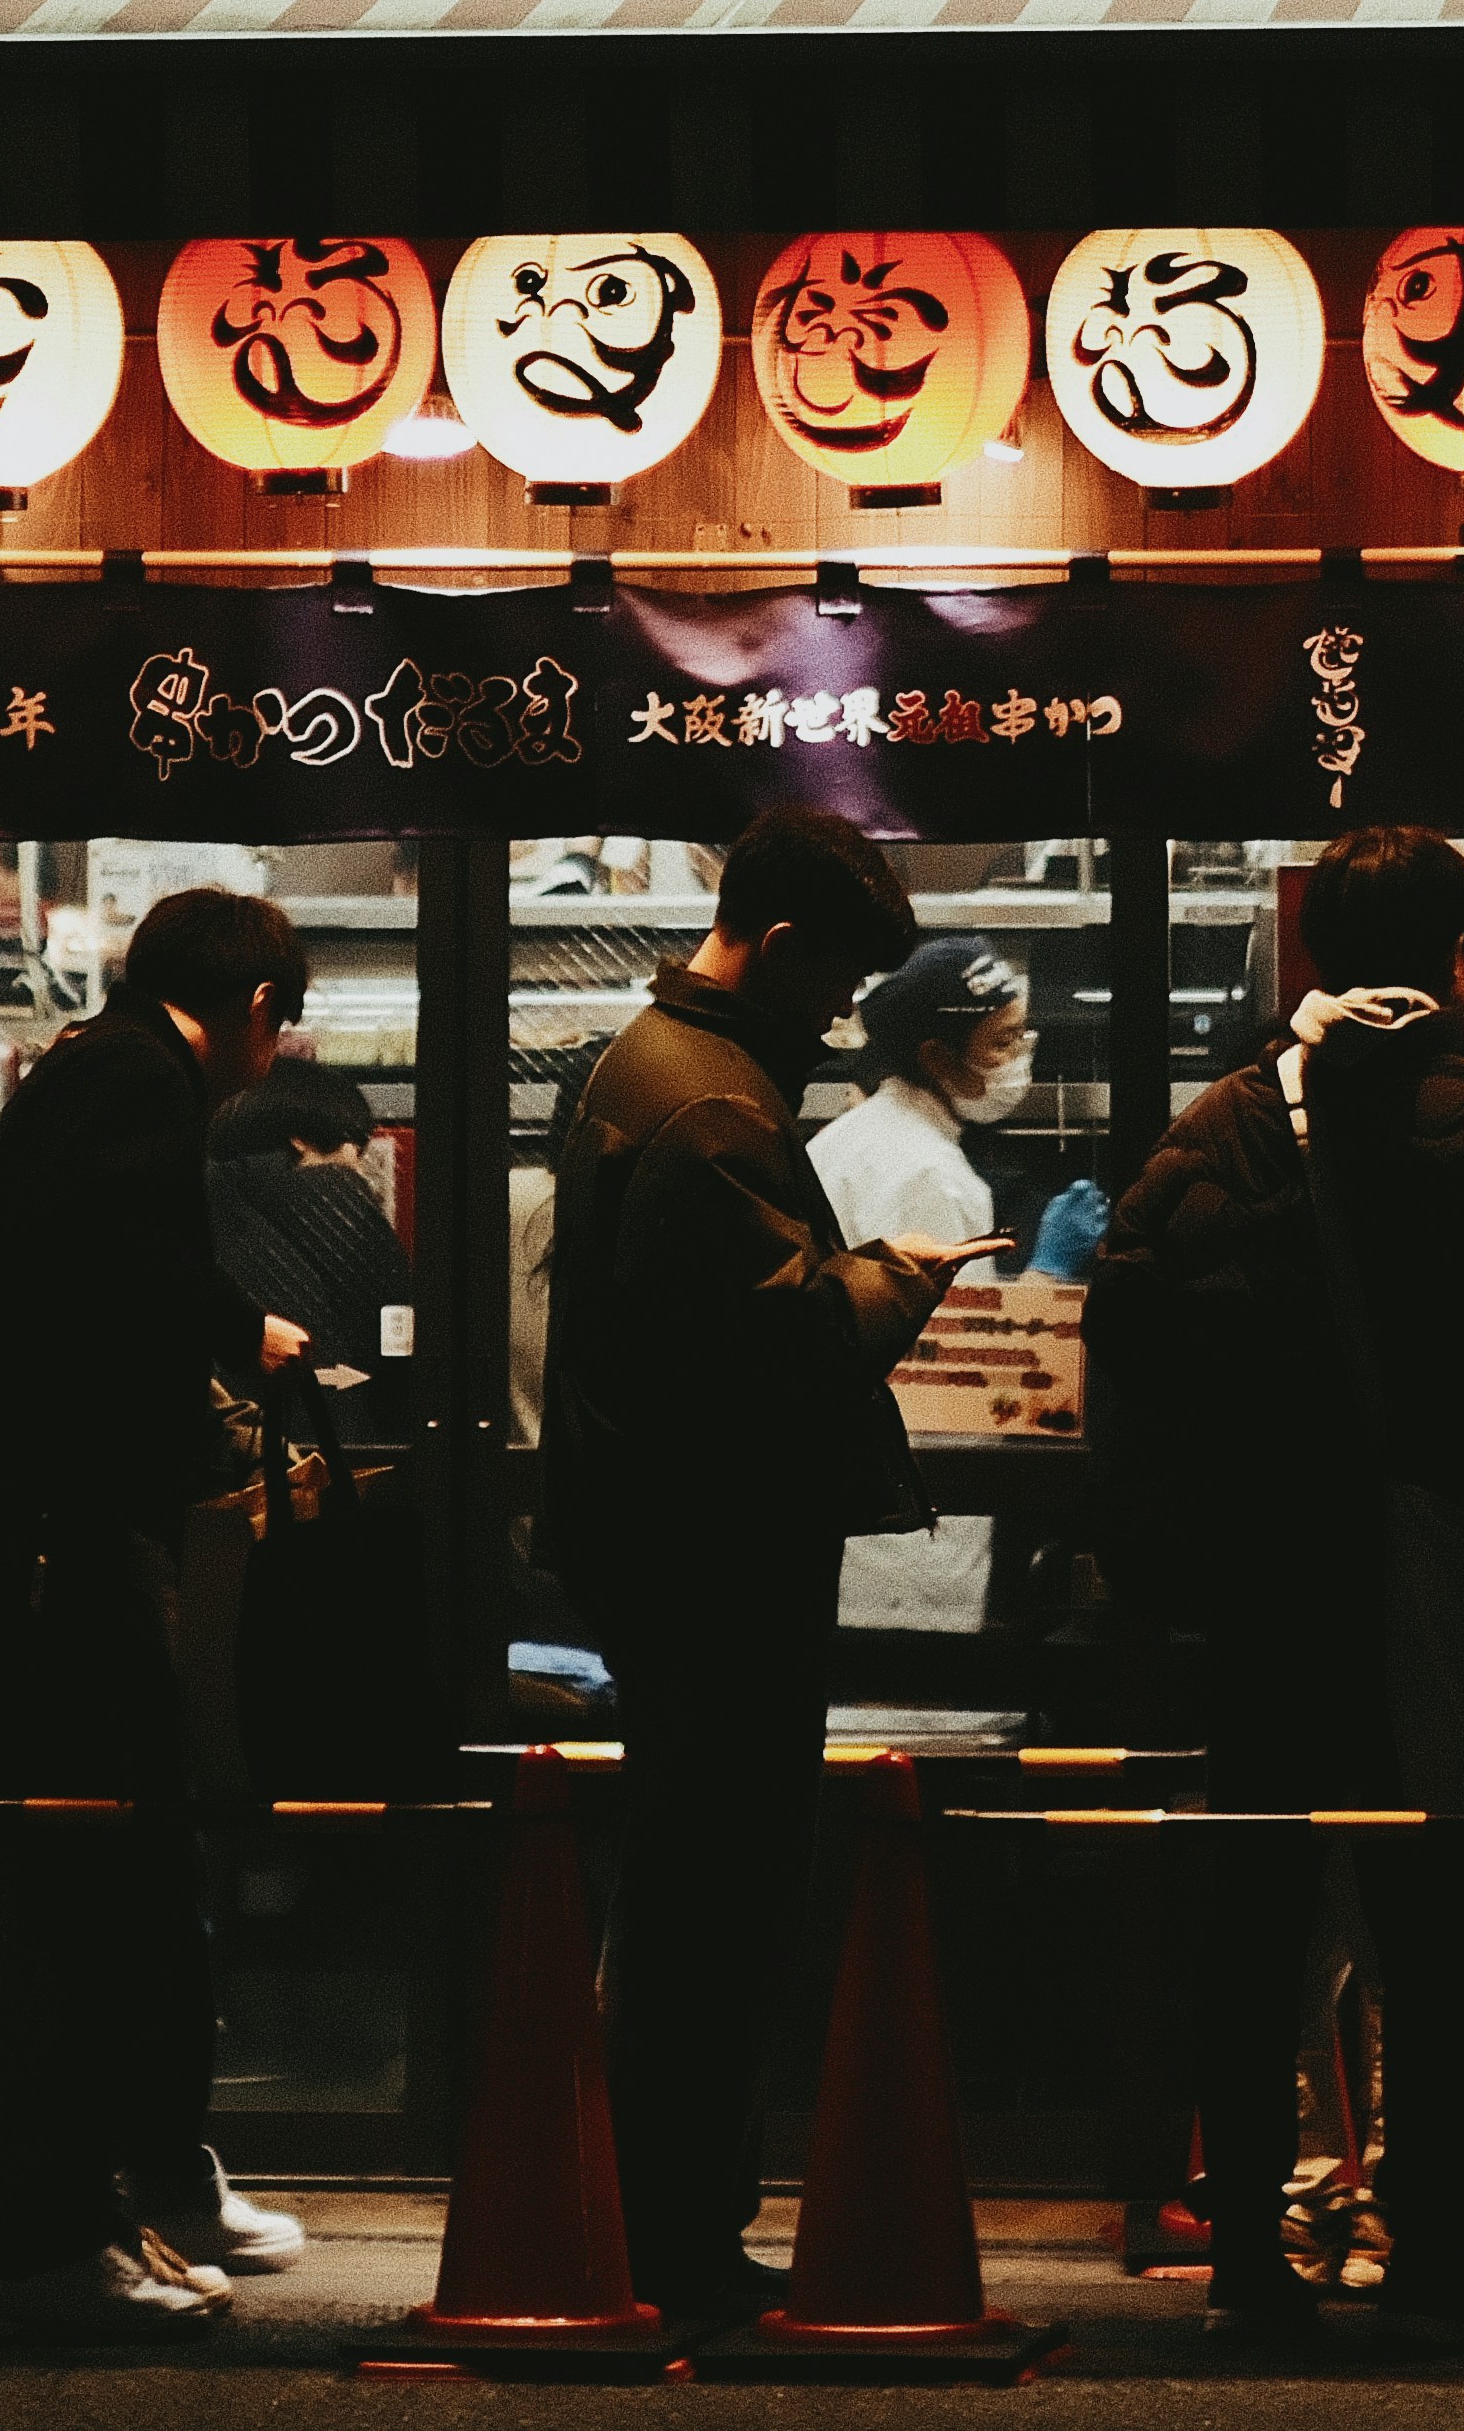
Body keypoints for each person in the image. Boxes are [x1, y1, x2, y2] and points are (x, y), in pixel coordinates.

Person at [1090, 824, 1464, 2341]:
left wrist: (1202, 1498)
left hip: (1273, 1583)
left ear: (1314, 955)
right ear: (1463, 957)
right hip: (1430, 1570)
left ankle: (1253, 2262)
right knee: (1433, 1915)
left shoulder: (1218, 1129)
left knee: (1260, 1917)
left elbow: (1127, 1318)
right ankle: (1436, 2254)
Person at [548, 809, 967, 2323]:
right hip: (720, 1563)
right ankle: (680, 2237)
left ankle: (664, 2222)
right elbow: (772, 1350)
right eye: (841, 978)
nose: (847, 1010)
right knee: (715, 1904)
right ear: (782, 947)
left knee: (682, 1892)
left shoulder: (639, 1063)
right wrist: (891, 1281)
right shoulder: (712, 1107)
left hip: (654, 1550)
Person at [0, 881, 314, 2333]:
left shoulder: (94, 1073)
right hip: (68, 1548)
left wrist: (222, 1322)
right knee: (89, 1881)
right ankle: (42, 2234)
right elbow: (123, 1278)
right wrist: (229, 1336)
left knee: (105, 1884)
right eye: (281, 1028)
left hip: (35, 1536)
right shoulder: (140, 1083)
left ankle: (103, 2195)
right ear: (258, 1010)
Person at [206, 1056, 418, 1406]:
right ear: (301, 1139)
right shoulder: (336, 1200)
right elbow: (394, 1335)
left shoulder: (197, 1202)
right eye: (358, 1143)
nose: (359, 1163)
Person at [809, 933, 1037, 1256]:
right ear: (937, 1059)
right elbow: (958, 1305)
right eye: (1002, 1042)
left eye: (1021, 1034)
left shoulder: (844, 1136)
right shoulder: (936, 1180)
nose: (1020, 1057)